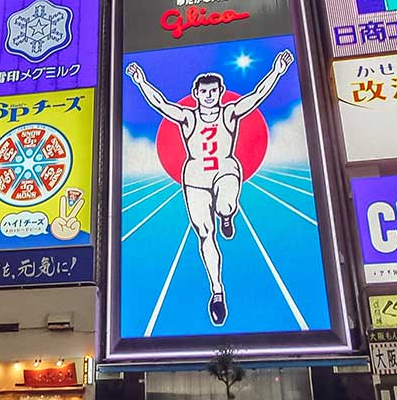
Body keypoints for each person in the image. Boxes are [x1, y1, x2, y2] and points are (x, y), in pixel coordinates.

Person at [126, 51, 295, 326]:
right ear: (196, 93)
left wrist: (277, 71)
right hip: (195, 178)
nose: (208, 96)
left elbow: (256, 96)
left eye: (213, 91)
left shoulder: (230, 112)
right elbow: (161, 104)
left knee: (225, 204)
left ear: (220, 92)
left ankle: (227, 214)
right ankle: (217, 292)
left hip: (225, 169)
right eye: (203, 91)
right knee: (205, 233)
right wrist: (140, 81)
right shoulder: (187, 117)